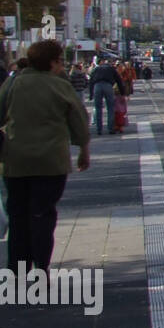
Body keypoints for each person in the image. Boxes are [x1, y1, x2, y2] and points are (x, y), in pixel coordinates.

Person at [0, 39, 91, 272]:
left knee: (18, 216)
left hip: (15, 161)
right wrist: (83, 149)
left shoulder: (11, 85)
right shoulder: (61, 86)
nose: (61, 66)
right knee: (43, 214)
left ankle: (17, 269)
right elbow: (79, 120)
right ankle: (41, 267)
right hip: (51, 162)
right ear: (52, 63)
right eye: (60, 61)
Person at [88, 57, 126, 135]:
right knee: (110, 108)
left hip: (97, 86)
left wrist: (91, 94)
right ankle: (110, 128)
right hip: (108, 86)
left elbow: (91, 81)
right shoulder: (111, 68)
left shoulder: (96, 69)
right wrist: (122, 93)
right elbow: (119, 80)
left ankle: (99, 129)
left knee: (98, 108)